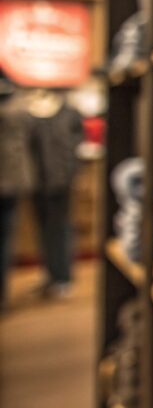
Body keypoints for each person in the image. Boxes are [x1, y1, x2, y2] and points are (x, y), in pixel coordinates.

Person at [26, 89, 84, 300]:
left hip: (61, 181)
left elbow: (75, 144)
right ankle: (51, 275)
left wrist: (71, 172)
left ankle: (62, 277)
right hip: (38, 181)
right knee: (44, 229)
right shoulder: (30, 111)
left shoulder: (68, 112)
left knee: (60, 229)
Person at [0, 78, 35, 310]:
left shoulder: (17, 109)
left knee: (6, 237)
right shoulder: (20, 107)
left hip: (11, 183)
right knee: (6, 238)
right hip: (13, 181)